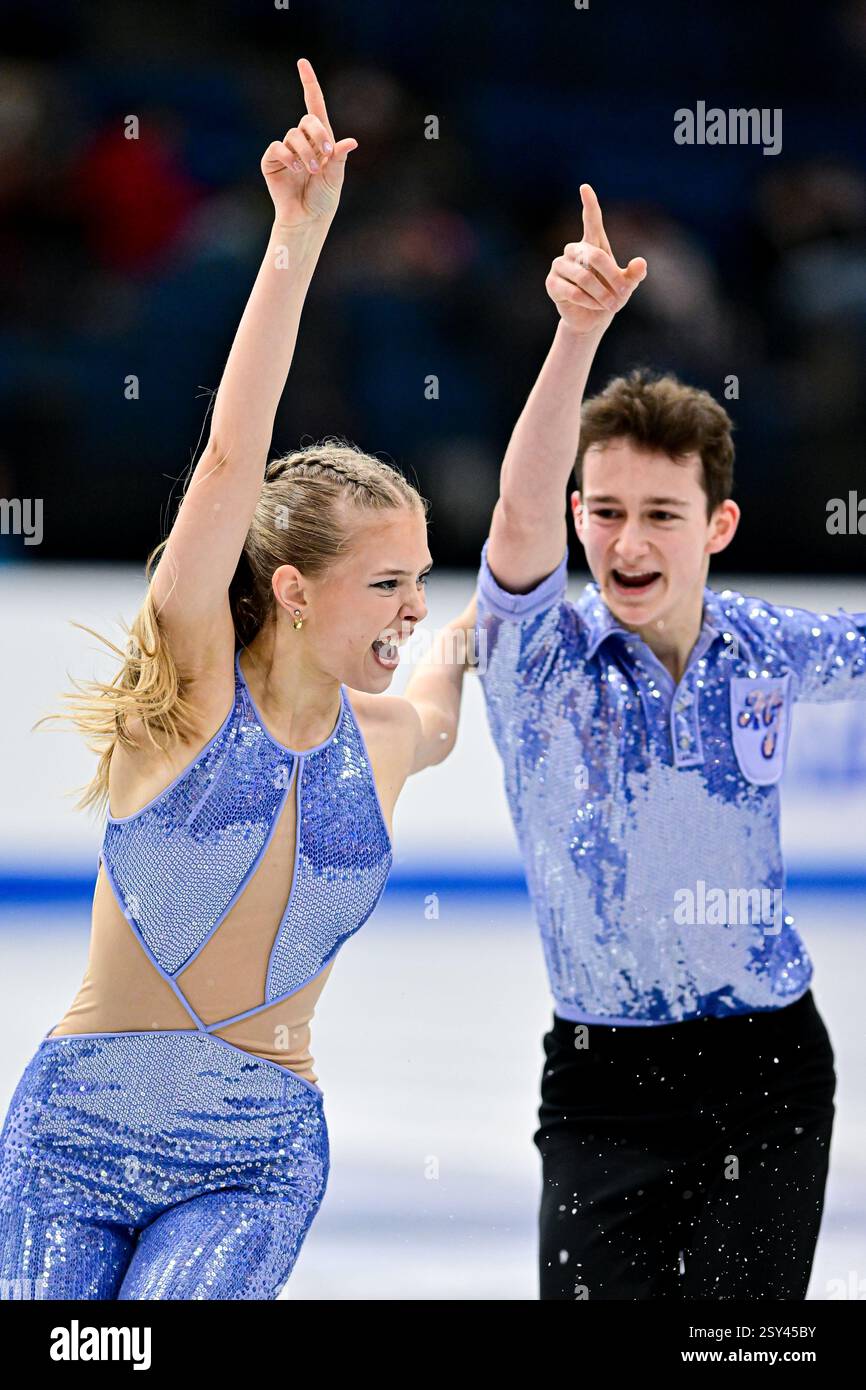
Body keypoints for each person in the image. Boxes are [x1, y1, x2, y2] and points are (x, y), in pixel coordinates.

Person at [0, 58, 474, 1302]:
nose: (413, 604)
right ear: (296, 590)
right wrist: (295, 240)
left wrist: (486, 627)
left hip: (258, 1153)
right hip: (78, 1140)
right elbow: (224, 461)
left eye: (419, 577)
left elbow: (452, 669)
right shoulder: (197, 697)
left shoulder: (392, 734)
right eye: (386, 582)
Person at [473, 183, 866, 1299]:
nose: (625, 540)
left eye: (659, 515)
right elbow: (512, 517)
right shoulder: (536, 662)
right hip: (601, 1086)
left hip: (770, 1070)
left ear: (716, 527)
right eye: (602, 511)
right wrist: (577, 333)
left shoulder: (764, 648)